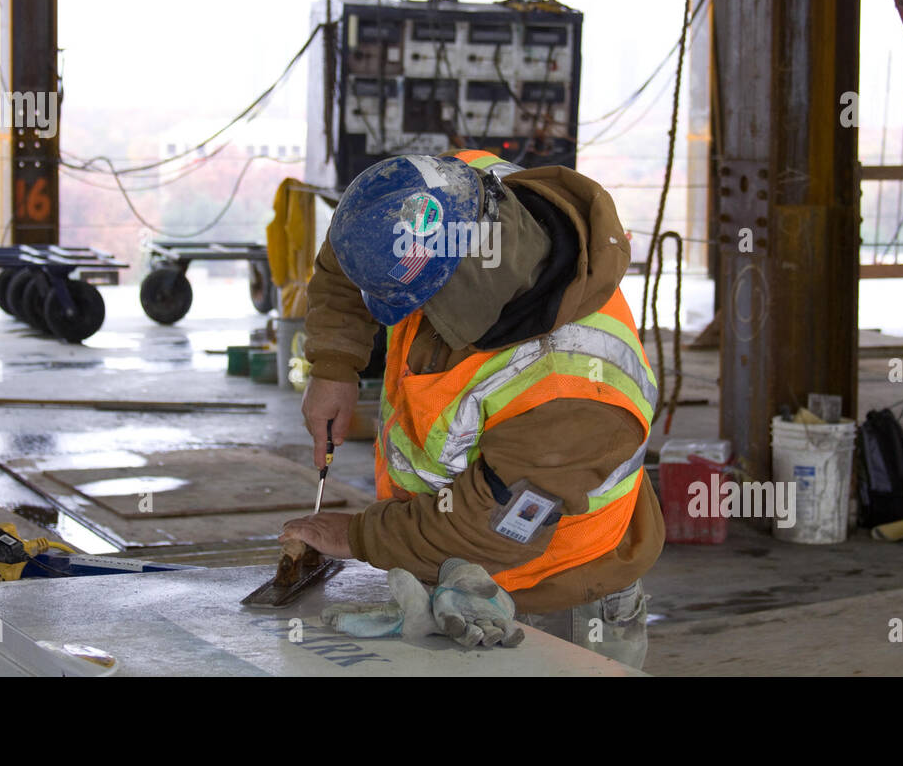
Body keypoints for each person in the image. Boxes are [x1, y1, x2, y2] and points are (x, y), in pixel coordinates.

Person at [280, 149, 663, 668]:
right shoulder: (457, 192)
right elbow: (362, 237)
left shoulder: (576, 393)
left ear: (451, 296)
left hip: (552, 595)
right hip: (437, 561)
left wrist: (359, 535)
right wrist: (333, 363)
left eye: (402, 298)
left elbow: (491, 527)